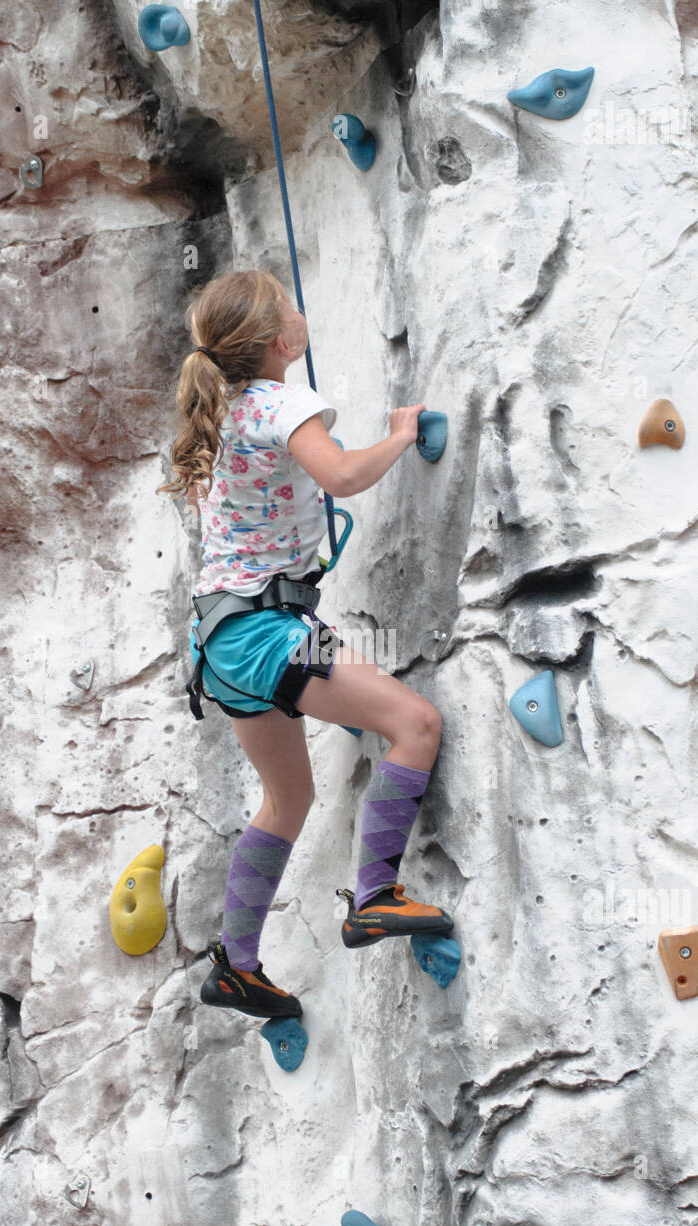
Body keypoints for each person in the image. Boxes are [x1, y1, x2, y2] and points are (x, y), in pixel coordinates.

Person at [158, 269, 453, 1021]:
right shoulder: (283, 402)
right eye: (290, 303)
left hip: (219, 644)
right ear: (277, 339)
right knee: (414, 725)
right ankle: (376, 895)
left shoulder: (215, 416)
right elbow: (343, 476)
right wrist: (397, 435)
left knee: (287, 798)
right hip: (267, 634)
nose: (301, 309)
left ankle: (238, 967)